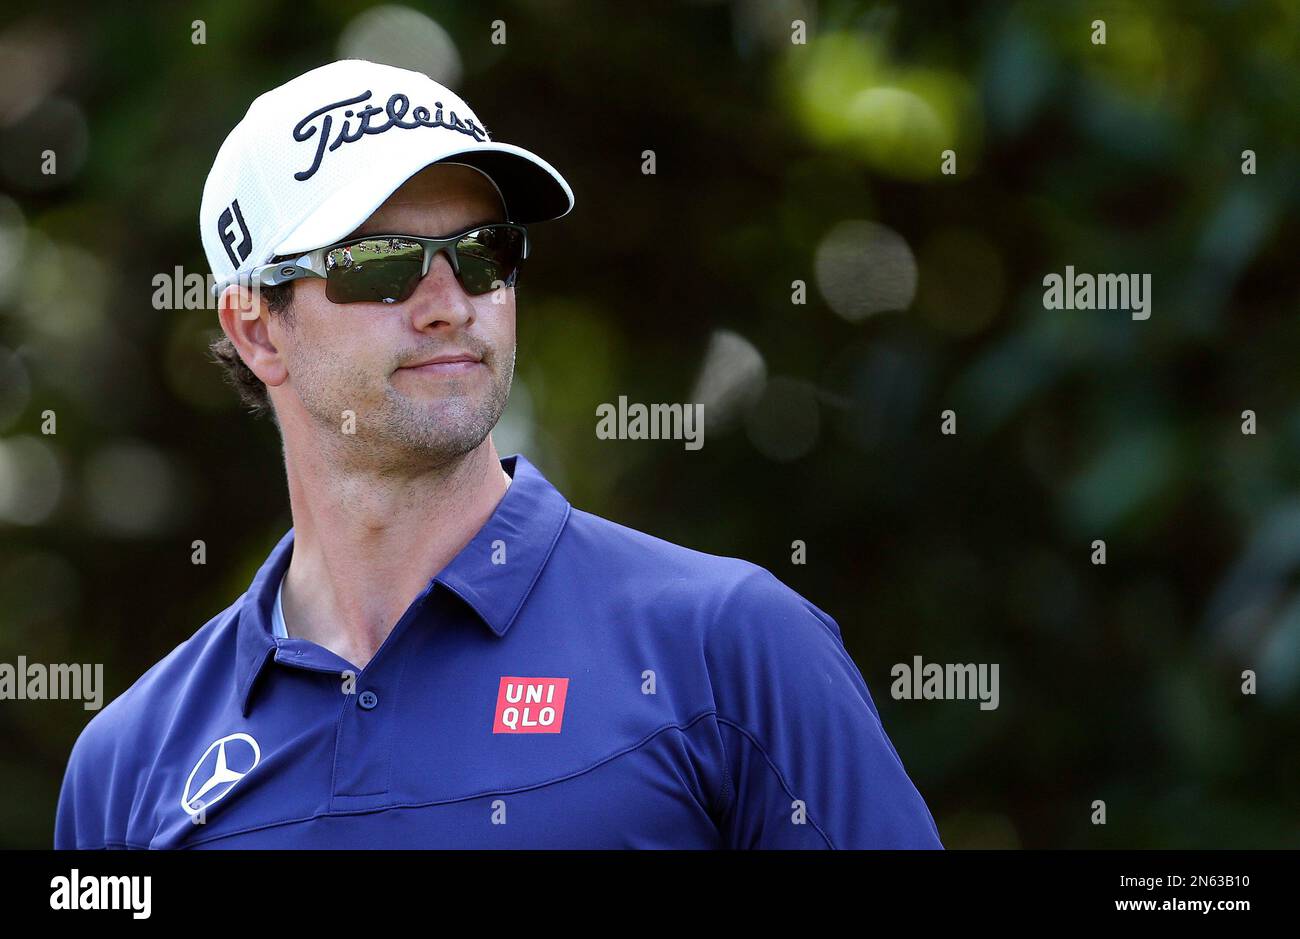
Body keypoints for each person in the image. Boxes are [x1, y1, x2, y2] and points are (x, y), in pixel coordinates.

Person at [54, 59, 942, 849]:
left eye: (485, 253)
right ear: (257, 328)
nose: (449, 302)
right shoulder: (129, 763)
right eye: (382, 262)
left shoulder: (728, 645)